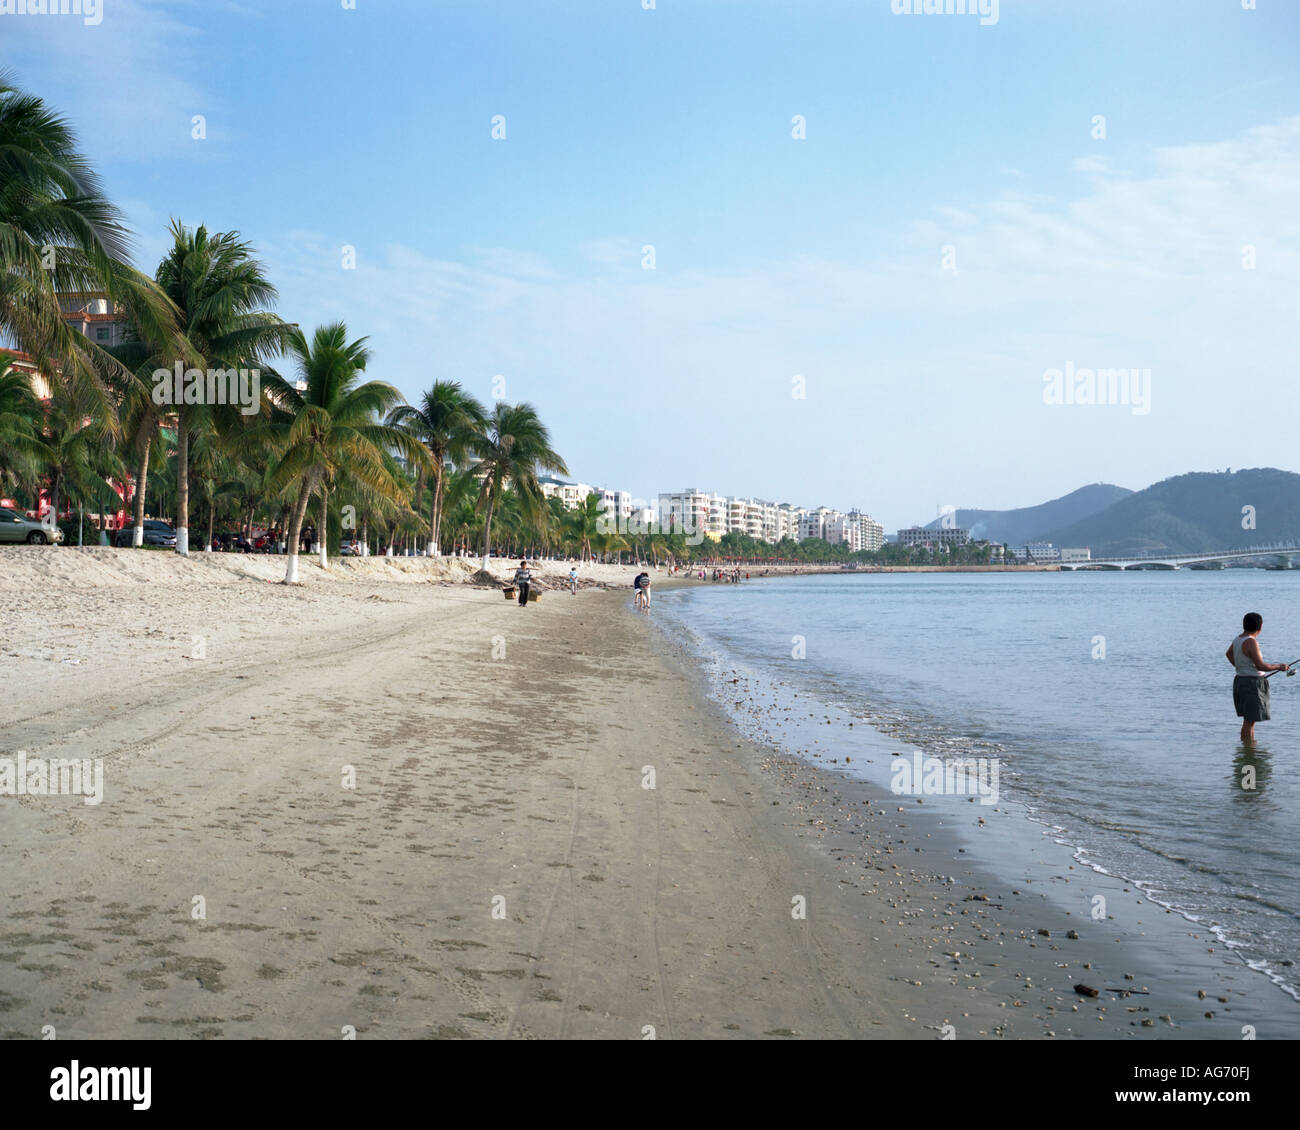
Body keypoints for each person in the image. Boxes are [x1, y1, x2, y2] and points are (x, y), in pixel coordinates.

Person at [1226, 611, 1288, 742]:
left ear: (1244, 624)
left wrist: (1241, 668)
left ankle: (1248, 749)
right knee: (1250, 721)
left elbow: (1229, 654)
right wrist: (1279, 666)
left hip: (1240, 680)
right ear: (1260, 627)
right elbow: (1261, 666)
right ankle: (1249, 751)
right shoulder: (1251, 642)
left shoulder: (1238, 639)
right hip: (1252, 684)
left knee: (1248, 720)